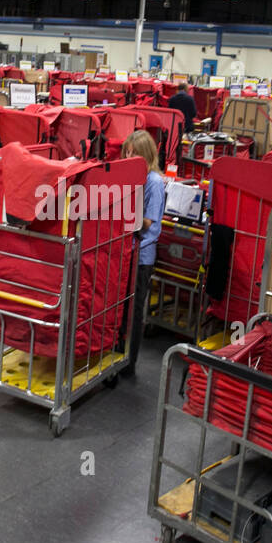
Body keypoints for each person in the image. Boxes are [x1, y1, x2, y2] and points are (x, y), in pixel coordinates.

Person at [120, 129, 167, 377]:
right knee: (122, 307)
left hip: (142, 255)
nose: (129, 157)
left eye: (134, 154)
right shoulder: (134, 178)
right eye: (127, 152)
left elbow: (149, 221)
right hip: (128, 252)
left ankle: (130, 361)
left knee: (135, 311)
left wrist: (122, 221)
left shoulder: (154, 182)